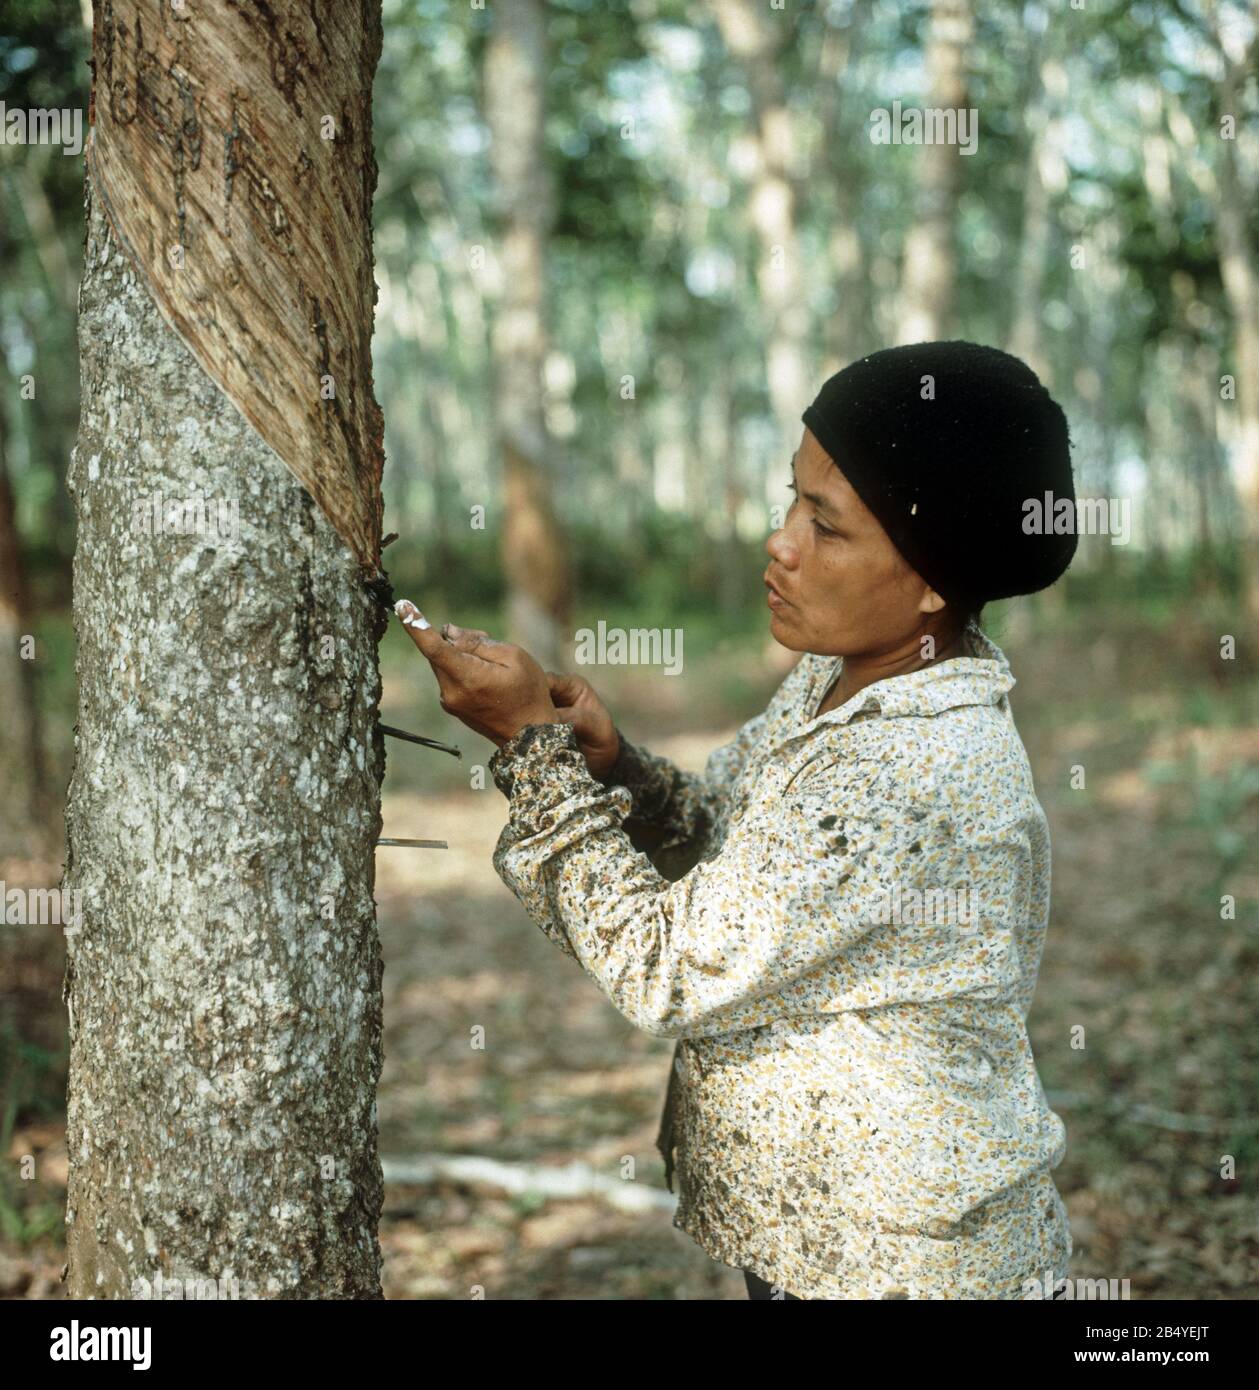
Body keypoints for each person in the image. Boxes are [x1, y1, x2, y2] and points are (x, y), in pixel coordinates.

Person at [394, 340, 1078, 1300]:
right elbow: (727, 836)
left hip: (899, 1269)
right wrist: (615, 766)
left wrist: (531, 751)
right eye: (792, 499)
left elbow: (662, 965)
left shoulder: (909, 763)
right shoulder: (846, 679)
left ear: (933, 580)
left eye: (828, 528)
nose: (781, 542)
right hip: (826, 1245)